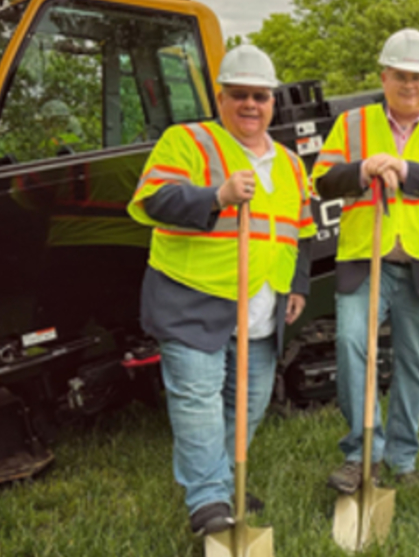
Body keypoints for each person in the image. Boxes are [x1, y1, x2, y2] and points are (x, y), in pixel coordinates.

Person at [127, 45, 316, 536]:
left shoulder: (292, 164)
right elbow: (154, 199)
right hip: (193, 296)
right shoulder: (187, 140)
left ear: (273, 101)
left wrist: (295, 285)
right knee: (197, 398)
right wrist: (217, 196)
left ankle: (224, 479)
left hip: (262, 304)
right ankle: (208, 499)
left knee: (249, 402)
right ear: (221, 97)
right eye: (239, 95)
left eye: (260, 96)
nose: (250, 105)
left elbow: (301, 229)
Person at [312, 28, 419, 493]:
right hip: (365, 260)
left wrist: (406, 171)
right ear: (384, 76)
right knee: (352, 345)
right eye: (402, 76)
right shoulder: (352, 125)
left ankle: (403, 459)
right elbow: (323, 182)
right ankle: (361, 454)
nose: (410, 85)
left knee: (412, 361)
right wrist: (362, 168)